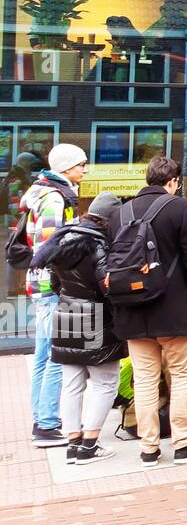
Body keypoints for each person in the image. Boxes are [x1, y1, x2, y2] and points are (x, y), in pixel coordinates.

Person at [107, 156, 187, 465]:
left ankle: (148, 448)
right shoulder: (179, 207)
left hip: (133, 310)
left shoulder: (119, 213)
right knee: (181, 377)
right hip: (173, 309)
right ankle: (182, 445)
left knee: (145, 380)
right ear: (173, 181)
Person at [32, 192, 126, 464]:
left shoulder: (63, 237)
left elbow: (55, 282)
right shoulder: (98, 243)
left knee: (72, 384)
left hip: (66, 312)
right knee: (105, 383)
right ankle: (89, 446)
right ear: (110, 219)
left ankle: (73, 443)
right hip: (95, 316)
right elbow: (106, 285)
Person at [21, 143, 89, 447]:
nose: (85, 169)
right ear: (66, 167)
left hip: (40, 285)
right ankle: (47, 425)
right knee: (57, 355)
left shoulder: (42, 192)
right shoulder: (55, 198)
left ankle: (41, 418)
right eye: (81, 164)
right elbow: (49, 247)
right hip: (51, 286)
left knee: (43, 353)